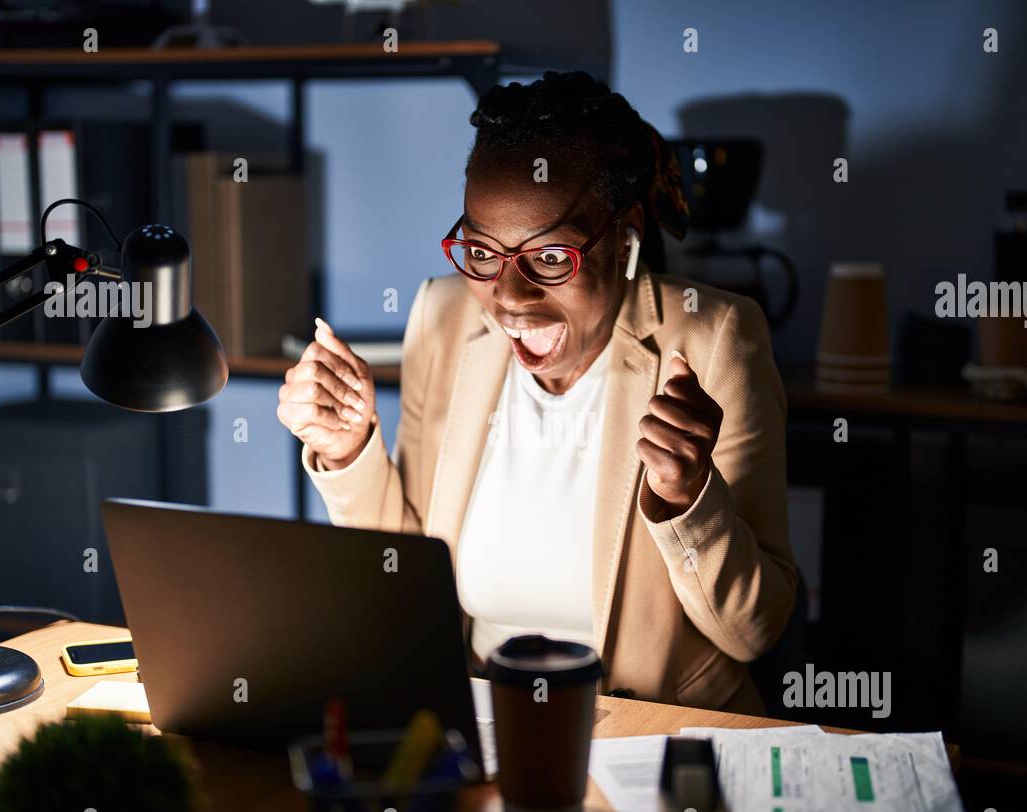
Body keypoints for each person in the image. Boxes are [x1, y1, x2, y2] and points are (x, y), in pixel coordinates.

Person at [277, 71, 796, 715]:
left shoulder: (714, 337)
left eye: (551, 257)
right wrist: (351, 450)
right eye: (483, 252)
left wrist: (690, 499)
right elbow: (410, 572)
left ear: (627, 235)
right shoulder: (444, 318)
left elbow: (754, 633)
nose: (510, 297)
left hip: (654, 736)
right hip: (487, 722)